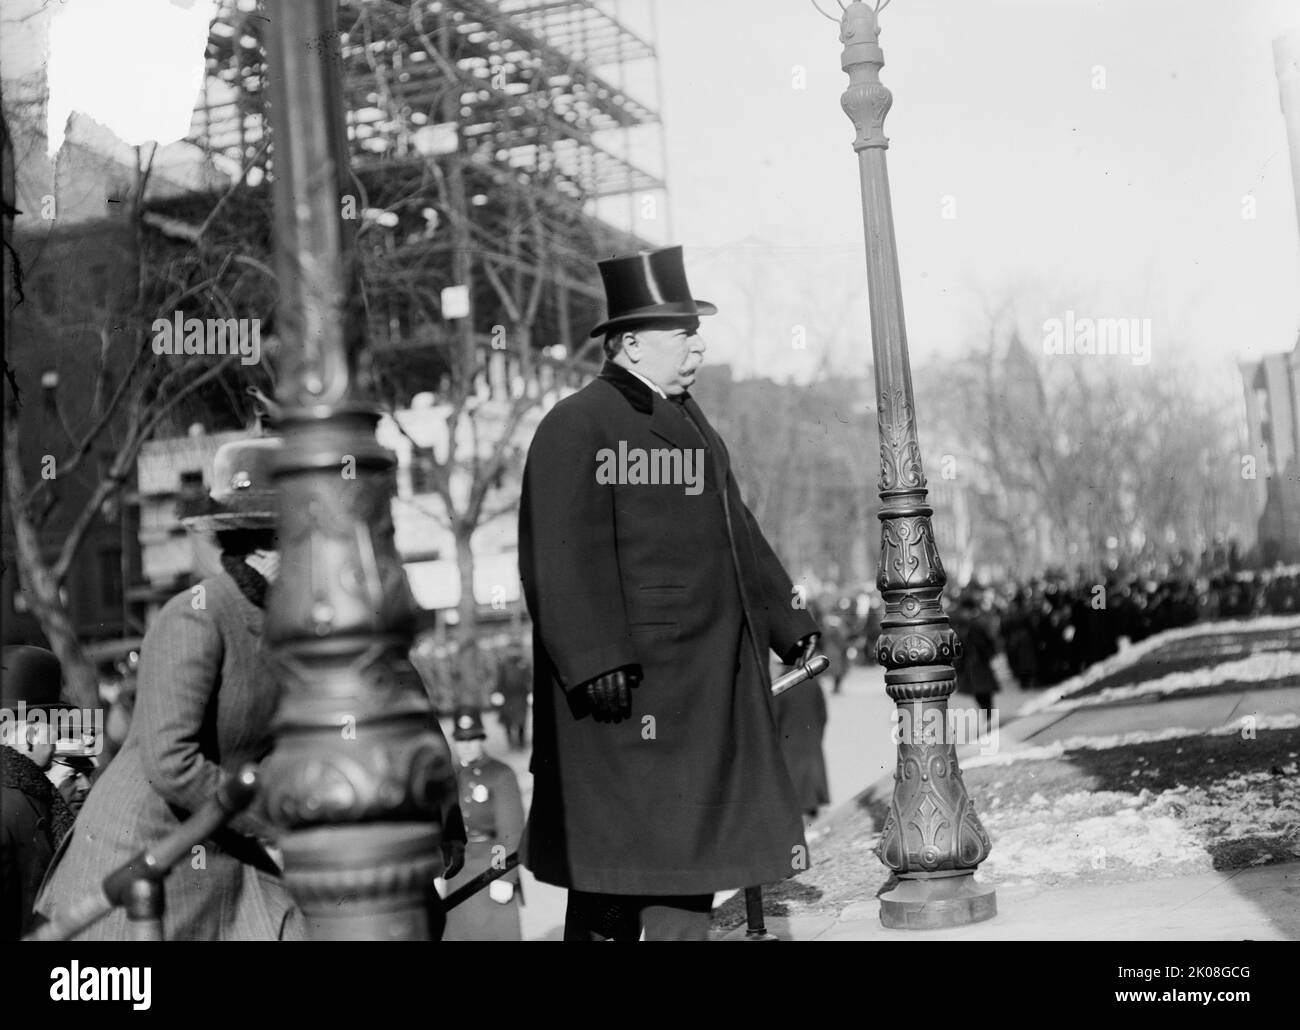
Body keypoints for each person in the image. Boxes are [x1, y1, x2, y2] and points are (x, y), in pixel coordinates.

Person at [518, 245, 820, 941]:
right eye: (682, 334)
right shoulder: (577, 423)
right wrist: (594, 660)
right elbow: (557, 555)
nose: (698, 347)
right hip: (627, 700)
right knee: (617, 879)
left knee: (686, 867)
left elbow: (734, 528)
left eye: (696, 331)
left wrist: (787, 615)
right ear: (629, 345)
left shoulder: (687, 421)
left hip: (698, 692)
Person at [35, 437, 304, 941]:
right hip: (147, 854)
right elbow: (172, 762)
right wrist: (275, 824)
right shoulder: (196, 616)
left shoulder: (279, 621)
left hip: (220, 853)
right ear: (272, 541)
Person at [1, 646, 77, 940]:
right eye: (54, 726)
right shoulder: (22, 804)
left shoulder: (29, 797)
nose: (57, 740)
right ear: (32, 735)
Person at [440, 707, 525, 941]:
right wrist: (437, 872)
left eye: (472, 738)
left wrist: (502, 875)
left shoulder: (499, 774)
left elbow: (510, 832)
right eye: (461, 739)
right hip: (457, 869)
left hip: (489, 866)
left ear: (481, 738)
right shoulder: (449, 776)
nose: (466, 745)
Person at [494, 640, 531, 749]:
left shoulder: (525, 663)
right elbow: (500, 680)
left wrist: (530, 691)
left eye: (517, 649)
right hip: (508, 697)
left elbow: (529, 678)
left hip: (521, 697)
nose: (514, 652)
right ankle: (510, 742)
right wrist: (497, 692)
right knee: (508, 721)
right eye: (512, 649)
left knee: (521, 721)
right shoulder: (504, 664)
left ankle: (521, 742)